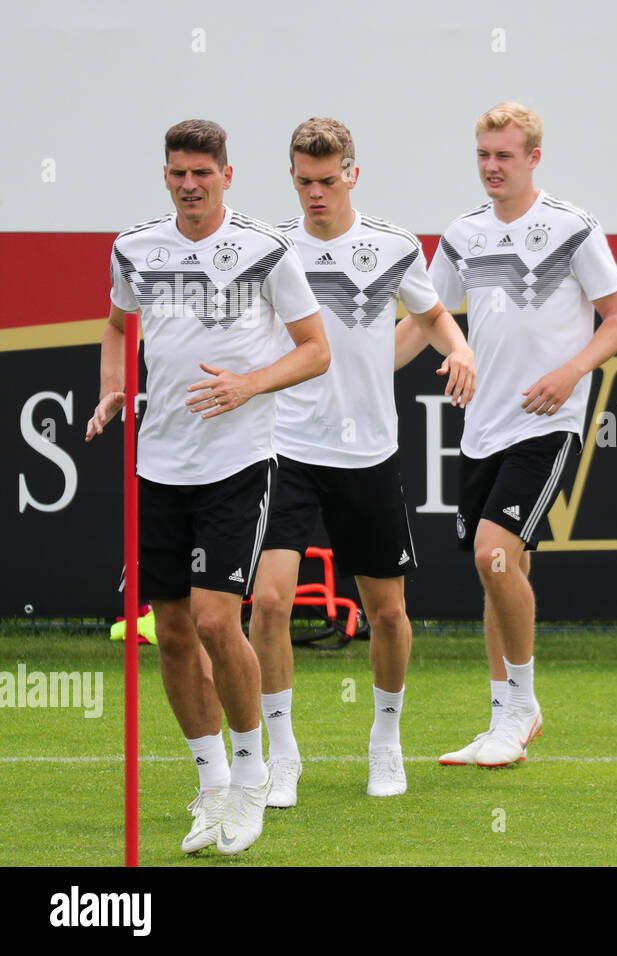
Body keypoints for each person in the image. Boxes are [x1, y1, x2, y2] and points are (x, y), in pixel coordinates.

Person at [85, 119, 330, 854]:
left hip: (239, 462)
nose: (189, 183)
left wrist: (251, 384)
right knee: (172, 634)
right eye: (177, 172)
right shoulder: (135, 247)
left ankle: (254, 778)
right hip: (160, 465)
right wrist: (110, 391)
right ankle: (213, 783)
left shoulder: (266, 249)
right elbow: (116, 326)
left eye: (202, 171)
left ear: (228, 173)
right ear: (166, 176)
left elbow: (315, 350)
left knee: (221, 620)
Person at [248, 118, 475, 805]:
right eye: (303, 180)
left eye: (327, 179)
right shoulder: (270, 250)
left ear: (352, 173)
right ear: (292, 176)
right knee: (268, 602)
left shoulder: (393, 247)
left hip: (367, 454)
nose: (316, 192)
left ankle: (385, 741)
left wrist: (458, 349)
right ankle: (280, 753)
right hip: (283, 447)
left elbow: (434, 316)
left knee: (388, 612)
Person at [430, 102, 617, 767]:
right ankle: (503, 721)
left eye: (505, 156)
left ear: (533, 158)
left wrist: (570, 373)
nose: (492, 167)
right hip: (481, 426)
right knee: (503, 570)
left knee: (492, 554)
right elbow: (428, 319)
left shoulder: (572, 228)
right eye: (484, 156)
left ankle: (522, 707)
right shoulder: (462, 234)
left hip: (549, 421)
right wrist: (361, 369)